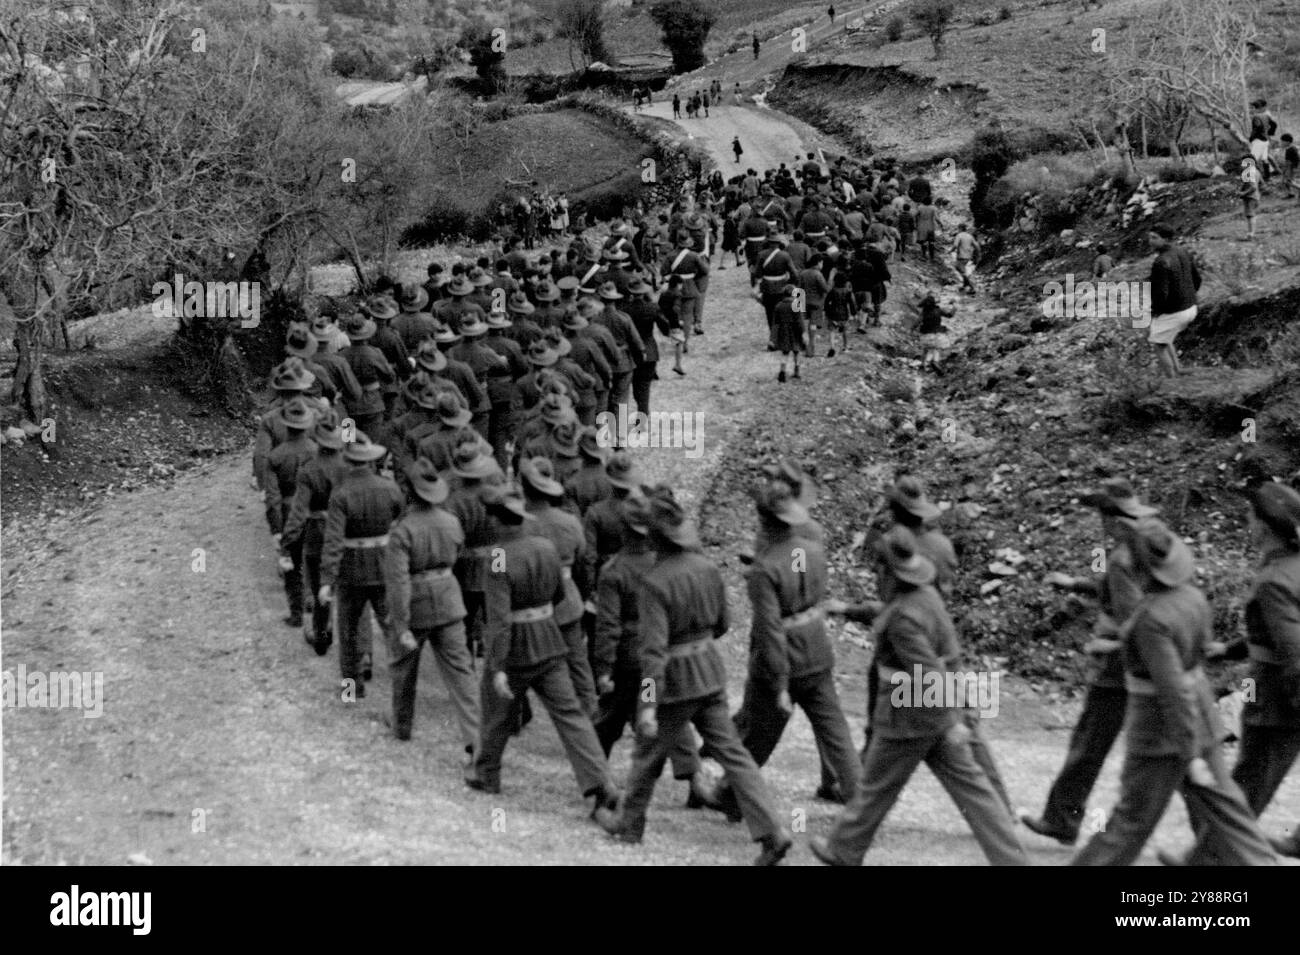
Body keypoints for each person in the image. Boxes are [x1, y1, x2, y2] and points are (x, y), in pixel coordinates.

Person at [592, 488, 794, 865]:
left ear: (653, 538)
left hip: (675, 683)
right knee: (735, 756)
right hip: (711, 674)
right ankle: (772, 831)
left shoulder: (654, 583)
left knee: (647, 754)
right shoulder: (707, 567)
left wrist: (647, 705)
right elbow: (723, 624)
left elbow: (653, 654)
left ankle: (629, 823)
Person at [811, 527, 1029, 866]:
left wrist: (952, 721)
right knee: (975, 791)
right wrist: (957, 712)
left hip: (909, 714)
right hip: (933, 712)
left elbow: (928, 672)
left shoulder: (903, 619)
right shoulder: (926, 598)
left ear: (886, 573)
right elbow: (945, 656)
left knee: (875, 787)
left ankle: (843, 850)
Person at [1070, 517, 1277, 866]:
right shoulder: (1192, 598)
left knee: (1130, 820)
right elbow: (1186, 653)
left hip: (1161, 731)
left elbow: (1171, 687)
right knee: (1229, 813)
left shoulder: (1150, 617)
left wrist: (1189, 753)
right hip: (1201, 718)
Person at [466, 485, 622, 819]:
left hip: (515, 648)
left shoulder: (498, 556)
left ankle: (486, 773)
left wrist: (498, 666)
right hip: (550, 640)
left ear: (496, 520)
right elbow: (558, 595)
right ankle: (601, 782)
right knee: (571, 715)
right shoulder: (546, 546)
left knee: (496, 709)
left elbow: (499, 620)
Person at [1021, 479, 1153, 845]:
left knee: (1089, 746)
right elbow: (1117, 592)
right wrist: (1076, 584)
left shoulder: (1122, 558)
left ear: (1111, 519)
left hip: (1117, 669)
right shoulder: (1144, 548)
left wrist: (1106, 645)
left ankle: (1062, 818)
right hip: (1144, 666)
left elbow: (1132, 617)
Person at [715, 483, 858, 815]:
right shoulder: (812, 551)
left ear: (764, 521)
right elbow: (810, 590)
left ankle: (731, 796)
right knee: (837, 735)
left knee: (760, 736)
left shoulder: (763, 569)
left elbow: (770, 630)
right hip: (817, 650)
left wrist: (779, 682)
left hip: (784, 660)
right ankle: (861, 805)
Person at [1178, 482, 1300, 861]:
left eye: (1250, 516)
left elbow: (1292, 647)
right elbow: (1279, 630)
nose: (1247, 523)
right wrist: (1230, 649)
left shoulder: (1274, 578)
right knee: (1253, 774)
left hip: (1275, 694)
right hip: (1276, 684)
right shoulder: (1290, 567)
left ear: (1264, 526)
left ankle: (1207, 859)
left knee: (1250, 779)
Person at [592, 494, 724, 812]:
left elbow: (608, 625)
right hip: (664, 659)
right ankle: (695, 781)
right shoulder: (664, 563)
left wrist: (603, 668)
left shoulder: (614, 571)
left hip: (630, 660)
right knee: (672, 721)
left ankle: (601, 789)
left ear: (624, 530)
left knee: (606, 725)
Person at [384, 458, 480, 754]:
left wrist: (401, 624)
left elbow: (399, 582)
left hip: (417, 607)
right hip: (450, 602)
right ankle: (477, 741)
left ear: (408, 492)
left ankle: (402, 725)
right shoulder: (451, 522)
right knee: (462, 675)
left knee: (403, 667)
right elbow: (457, 557)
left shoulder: (402, 530)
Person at [319, 431, 404, 698]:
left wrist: (327, 580)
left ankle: (352, 688)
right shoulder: (390, 488)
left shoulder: (340, 493)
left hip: (352, 570)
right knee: (393, 627)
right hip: (384, 565)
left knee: (348, 630)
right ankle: (403, 686)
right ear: (370, 459)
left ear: (347, 459)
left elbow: (333, 540)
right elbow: (401, 522)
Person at [519, 457, 598, 718]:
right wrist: (580, 594)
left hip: (527, 601)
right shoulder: (570, 522)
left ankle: (517, 712)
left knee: (516, 661)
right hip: (567, 600)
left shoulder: (518, 523)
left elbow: (500, 563)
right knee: (577, 663)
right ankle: (590, 712)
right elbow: (583, 562)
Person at [281, 410, 348, 654]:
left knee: (320, 582)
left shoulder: (309, 470)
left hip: (318, 532)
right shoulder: (348, 466)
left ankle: (322, 633)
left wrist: (287, 544)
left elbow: (298, 513)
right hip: (346, 532)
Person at [264, 397, 318, 629]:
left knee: (291, 562)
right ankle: (312, 598)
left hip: (287, 512)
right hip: (313, 511)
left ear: (286, 425)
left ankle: (296, 614)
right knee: (313, 558)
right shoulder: (318, 451)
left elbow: (272, 498)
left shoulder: (275, 456)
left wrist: (276, 529)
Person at [1146, 222, 1201, 379]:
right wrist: (1189, 297)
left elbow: (1161, 293)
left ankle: (1171, 378)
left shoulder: (1161, 261)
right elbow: (1197, 279)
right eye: (1150, 237)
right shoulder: (1182, 251)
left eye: (1154, 238)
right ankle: (1178, 369)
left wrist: (1155, 311)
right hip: (1191, 307)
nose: (1150, 241)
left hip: (1175, 311)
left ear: (1166, 239)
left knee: (1158, 344)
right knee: (1165, 337)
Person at [772, 283, 804, 383]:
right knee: (797, 352)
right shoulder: (796, 305)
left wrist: (773, 337)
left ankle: (782, 371)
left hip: (783, 331)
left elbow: (775, 323)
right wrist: (803, 332)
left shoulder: (778, 306)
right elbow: (800, 321)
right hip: (795, 332)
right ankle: (797, 371)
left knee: (785, 352)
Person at [952, 223, 980, 295]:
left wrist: (951, 250)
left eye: (958, 228)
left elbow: (955, 245)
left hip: (961, 256)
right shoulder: (970, 236)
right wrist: (977, 255)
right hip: (968, 256)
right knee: (962, 268)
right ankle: (965, 285)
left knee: (959, 268)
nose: (958, 230)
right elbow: (977, 246)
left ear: (960, 228)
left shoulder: (959, 235)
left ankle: (972, 287)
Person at [1239, 156, 1262, 241]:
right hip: (1255, 197)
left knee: (1250, 216)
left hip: (1250, 198)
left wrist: (1243, 193)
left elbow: (1253, 187)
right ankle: (1251, 233)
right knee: (1252, 215)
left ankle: (1251, 234)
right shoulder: (1257, 171)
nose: (1242, 165)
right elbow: (1260, 184)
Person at [1281, 133, 1299, 199]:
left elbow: (1288, 163)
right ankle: (1290, 193)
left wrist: (1284, 171)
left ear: (1288, 142)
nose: (1281, 143)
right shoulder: (1294, 148)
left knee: (1288, 182)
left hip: (1291, 168)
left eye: (1283, 141)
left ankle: (1296, 190)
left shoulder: (1289, 150)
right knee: (1288, 182)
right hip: (1295, 167)